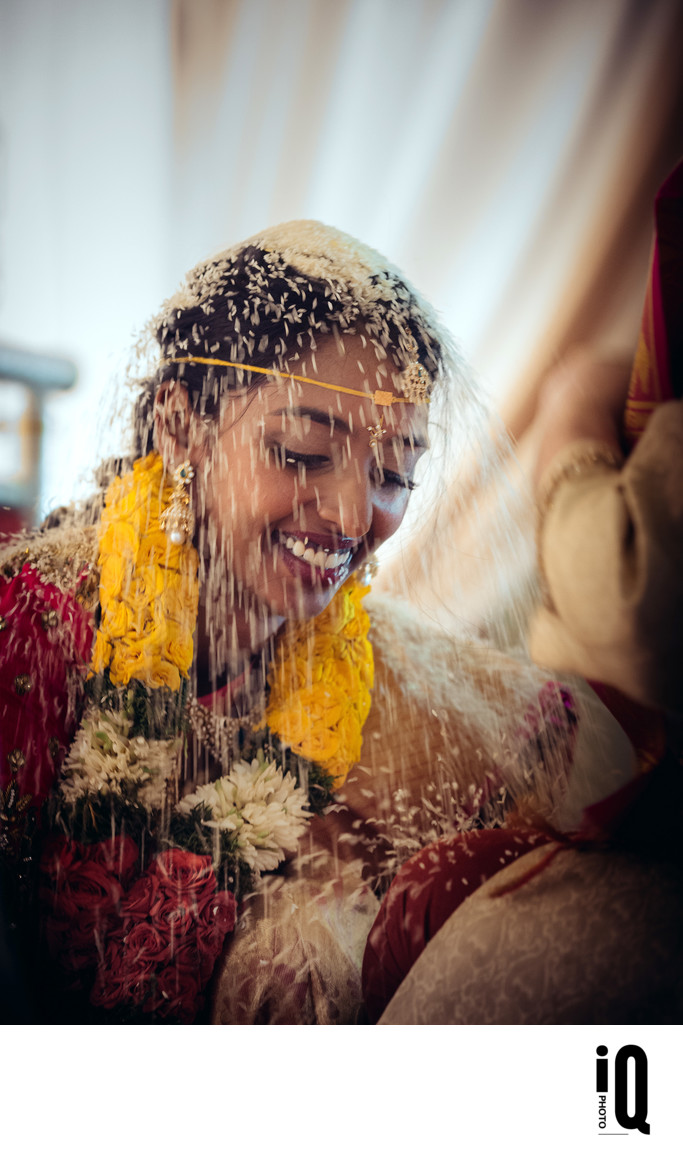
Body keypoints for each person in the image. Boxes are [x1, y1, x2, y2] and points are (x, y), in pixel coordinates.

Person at [0, 221, 629, 1024]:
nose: (348, 515)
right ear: (181, 423)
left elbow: (604, 759)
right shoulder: (31, 628)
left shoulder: (375, 669)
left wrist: (478, 861)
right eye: (301, 452)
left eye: (394, 472)